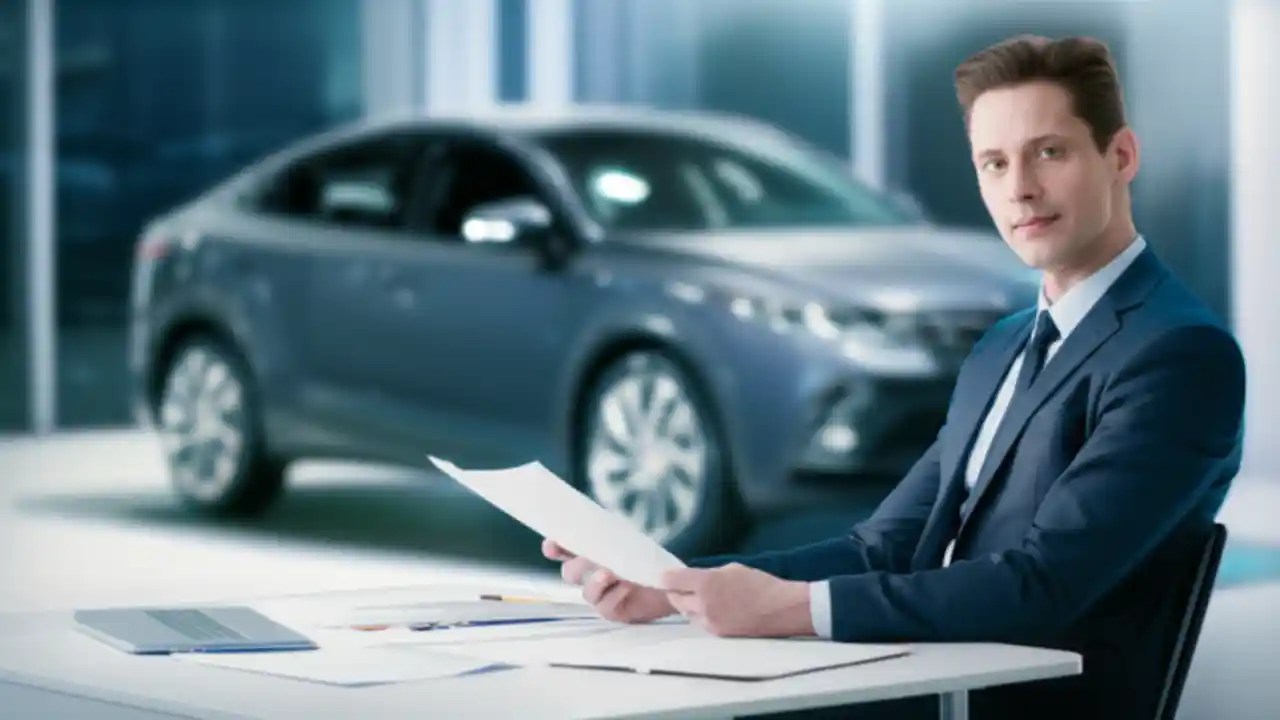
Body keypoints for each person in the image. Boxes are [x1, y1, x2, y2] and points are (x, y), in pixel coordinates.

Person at [544, 34, 1245, 720]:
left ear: (1120, 155)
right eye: (993, 164)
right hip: (927, 680)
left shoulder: (1180, 355)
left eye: (1049, 153)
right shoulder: (1001, 346)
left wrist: (787, 610)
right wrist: (676, 584)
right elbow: (881, 548)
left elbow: (1044, 585)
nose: (1021, 190)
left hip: (1019, 700)